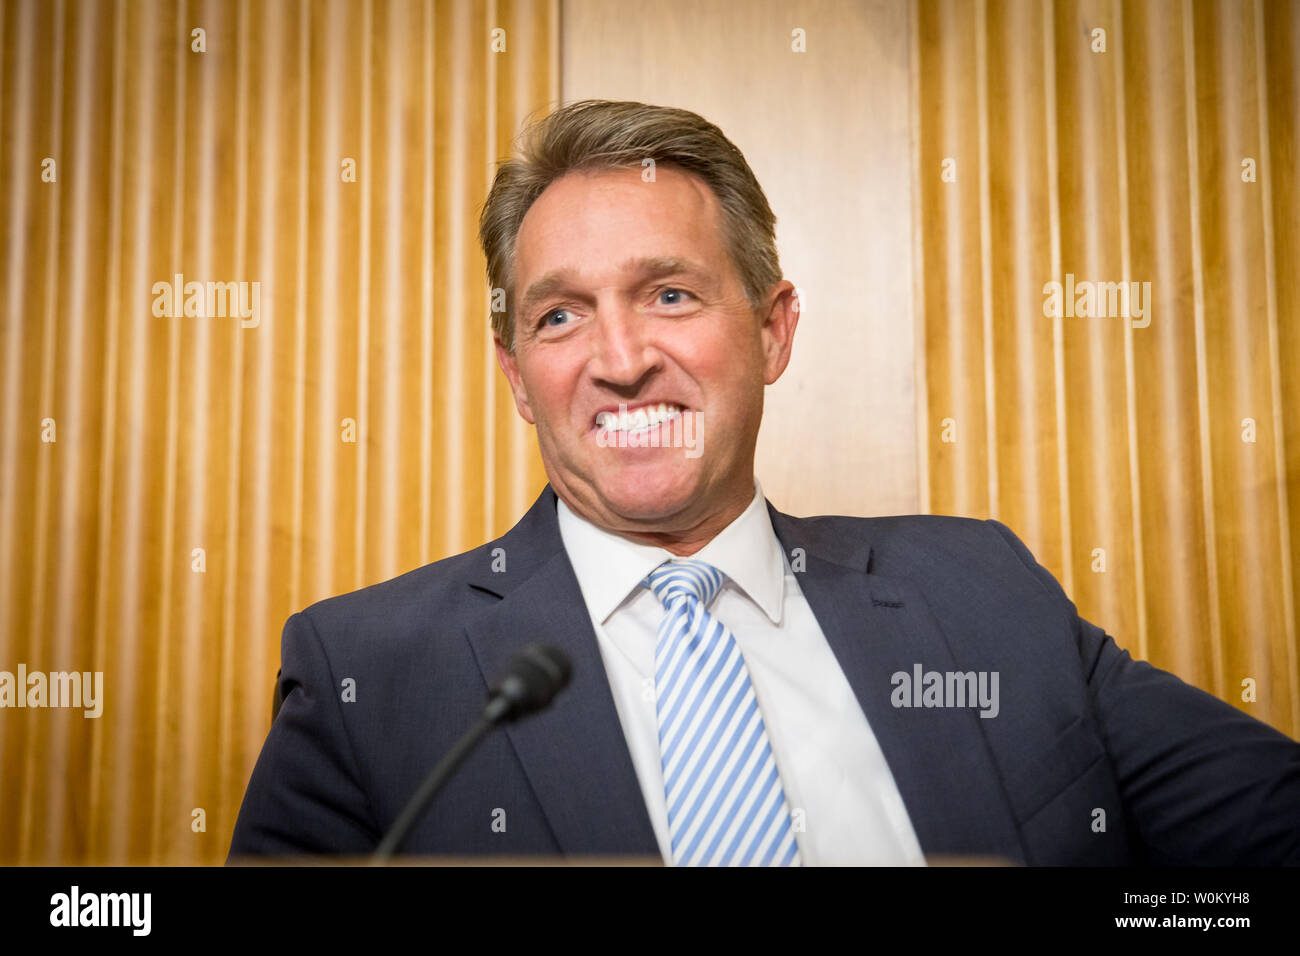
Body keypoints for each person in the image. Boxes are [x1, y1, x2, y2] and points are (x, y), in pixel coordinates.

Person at [228, 99, 1300, 866]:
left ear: (772, 330)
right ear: (517, 376)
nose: (619, 356)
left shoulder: (982, 590)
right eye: (559, 314)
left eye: (672, 293)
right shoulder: (367, 672)